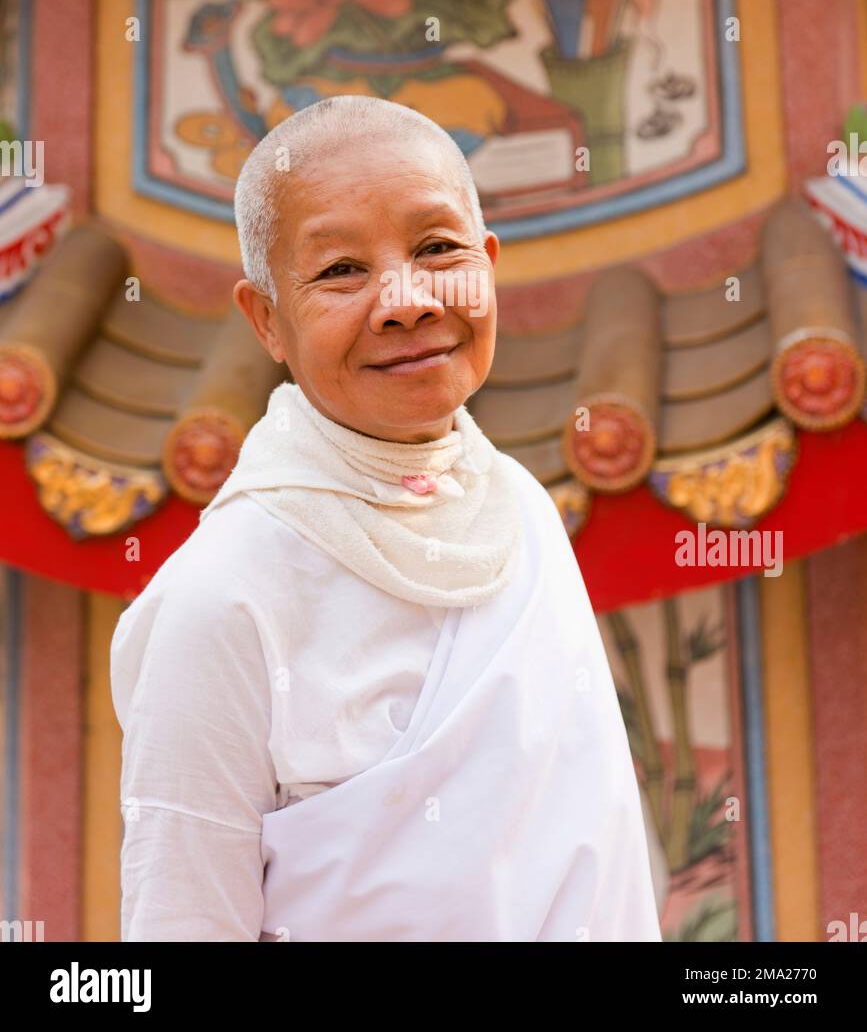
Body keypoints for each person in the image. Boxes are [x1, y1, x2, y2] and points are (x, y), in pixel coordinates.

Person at [110, 93, 662, 942]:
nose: (405, 301)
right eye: (339, 271)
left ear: (486, 264)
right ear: (267, 320)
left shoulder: (520, 512)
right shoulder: (220, 600)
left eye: (437, 249)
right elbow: (181, 921)